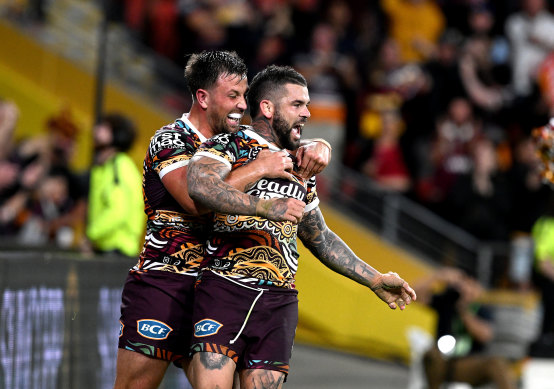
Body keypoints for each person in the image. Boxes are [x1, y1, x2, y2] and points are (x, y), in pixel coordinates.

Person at [186, 65, 417, 389]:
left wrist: (374, 278)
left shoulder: (300, 163)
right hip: (225, 288)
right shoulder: (229, 144)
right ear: (267, 107)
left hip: (278, 301)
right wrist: (266, 204)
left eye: (306, 104)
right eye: (297, 104)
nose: (307, 113)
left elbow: (319, 237)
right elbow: (198, 187)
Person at [114, 51, 332, 389]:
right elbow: (195, 199)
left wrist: (321, 145)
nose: (242, 105)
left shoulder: (239, 144)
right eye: (232, 95)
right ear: (203, 97)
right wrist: (259, 169)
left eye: (245, 96)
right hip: (167, 281)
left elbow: (283, 136)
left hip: (219, 290)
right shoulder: (172, 140)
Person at [413, 267, 517, 389]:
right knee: (431, 354)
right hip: (443, 360)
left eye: (470, 285)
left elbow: (485, 335)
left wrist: (464, 311)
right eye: (463, 285)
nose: (465, 290)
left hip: (467, 363)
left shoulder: (482, 308)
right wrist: (437, 276)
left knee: (496, 363)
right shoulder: (447, 300)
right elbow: (414, 295)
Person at [84, 113, 145, 257]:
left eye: (104, 127)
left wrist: (91, 235)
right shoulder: (111, 166)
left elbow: (118, 211)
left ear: (116, 135)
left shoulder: (118, 166)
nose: (96, 130)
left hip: (116, 250)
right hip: (111, 248)